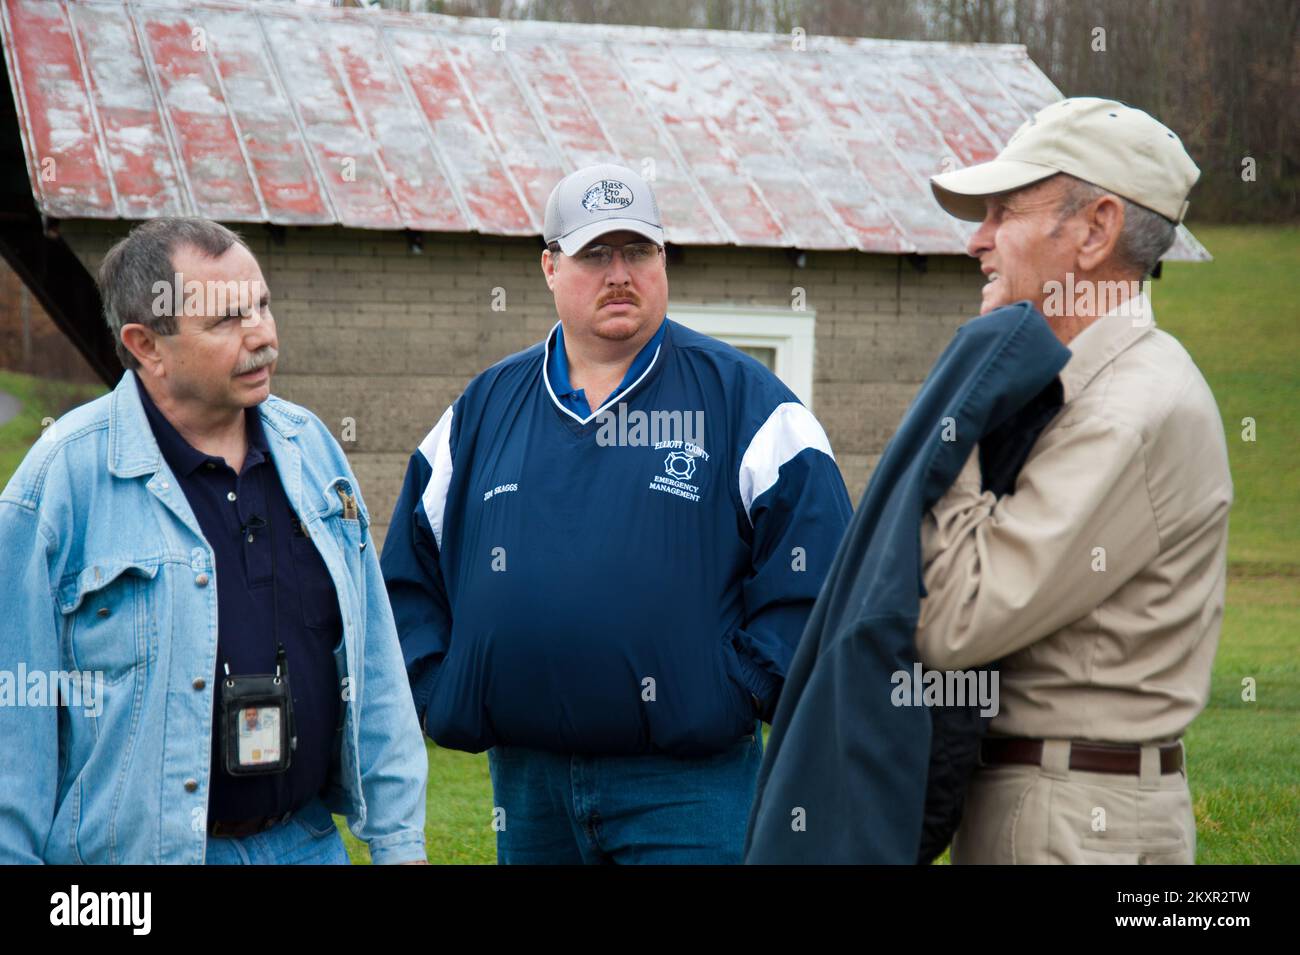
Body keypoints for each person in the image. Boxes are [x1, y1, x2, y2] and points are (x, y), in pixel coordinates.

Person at [382, 163, 852, 864]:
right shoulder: (484, 409)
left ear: (663, 260)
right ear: (548, 266)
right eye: (595, 253)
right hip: (528, 784)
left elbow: (822, 566)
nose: (620, 273)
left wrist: (744, 685)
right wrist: (441, 687)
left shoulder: (745, 401)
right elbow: (408, 568)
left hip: (688, 787)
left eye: (639, 251)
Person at [0, 217, 428, 865]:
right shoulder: (62, 480)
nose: (262, 333)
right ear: (147, 345)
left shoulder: (312, 449)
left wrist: (400, 844)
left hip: (305, 842)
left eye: (261, 304)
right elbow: (15, 720)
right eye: (227, 319)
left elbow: (374, 671)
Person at [920, 98, 1233, 863]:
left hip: (1072, 820)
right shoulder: (1081, 388)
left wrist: (954, 422)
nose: (977, 241)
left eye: (1003, 211)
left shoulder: (1128, 410)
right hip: (1059, 801)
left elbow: (955, 620)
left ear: (1095, 230)